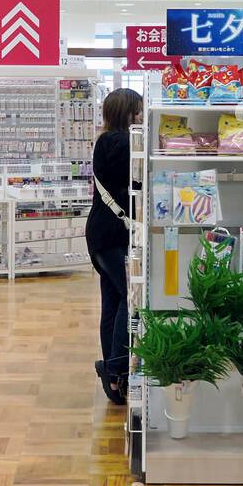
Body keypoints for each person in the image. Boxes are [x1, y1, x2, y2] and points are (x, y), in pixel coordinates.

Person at [87, 87, 142, 404]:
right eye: (137, 111)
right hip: (113, 233)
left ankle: (111, 368)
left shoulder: (105, 140)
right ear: (127, 112)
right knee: (126, 298)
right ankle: (118, 370)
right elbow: (136, 181)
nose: (140, 116)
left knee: (112, 299)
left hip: (102, 233)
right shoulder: (121, 143)